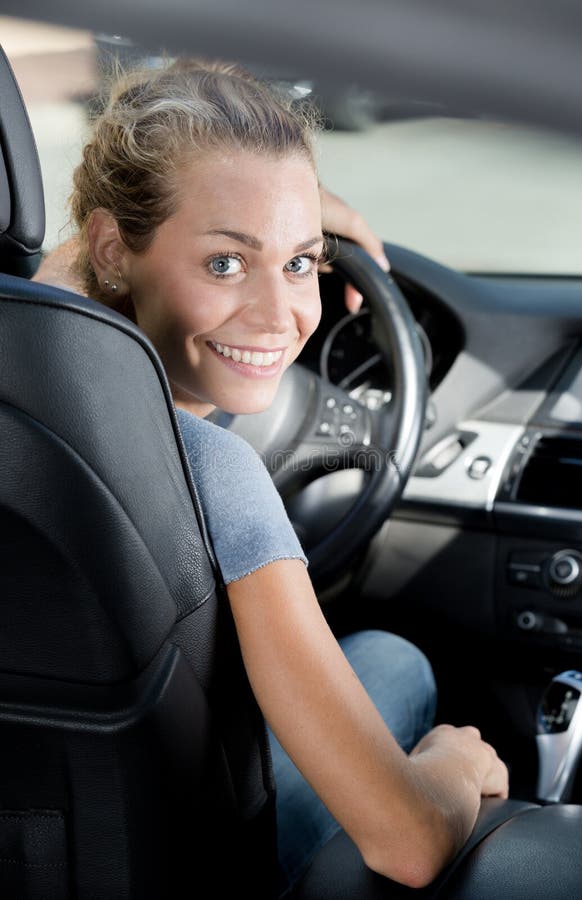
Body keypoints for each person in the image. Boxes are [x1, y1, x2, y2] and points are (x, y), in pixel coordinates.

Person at [35, 57, 508, 897]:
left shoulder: (22, 391)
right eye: (225, 265)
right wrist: (453, 762)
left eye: (302, 264)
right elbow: (409, 841)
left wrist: (249, 220)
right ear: (113, 247)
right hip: (184, 864)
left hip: (39, 839)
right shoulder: (218, 472)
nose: (280, 314)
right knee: (396, 659)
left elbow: (60, 273)